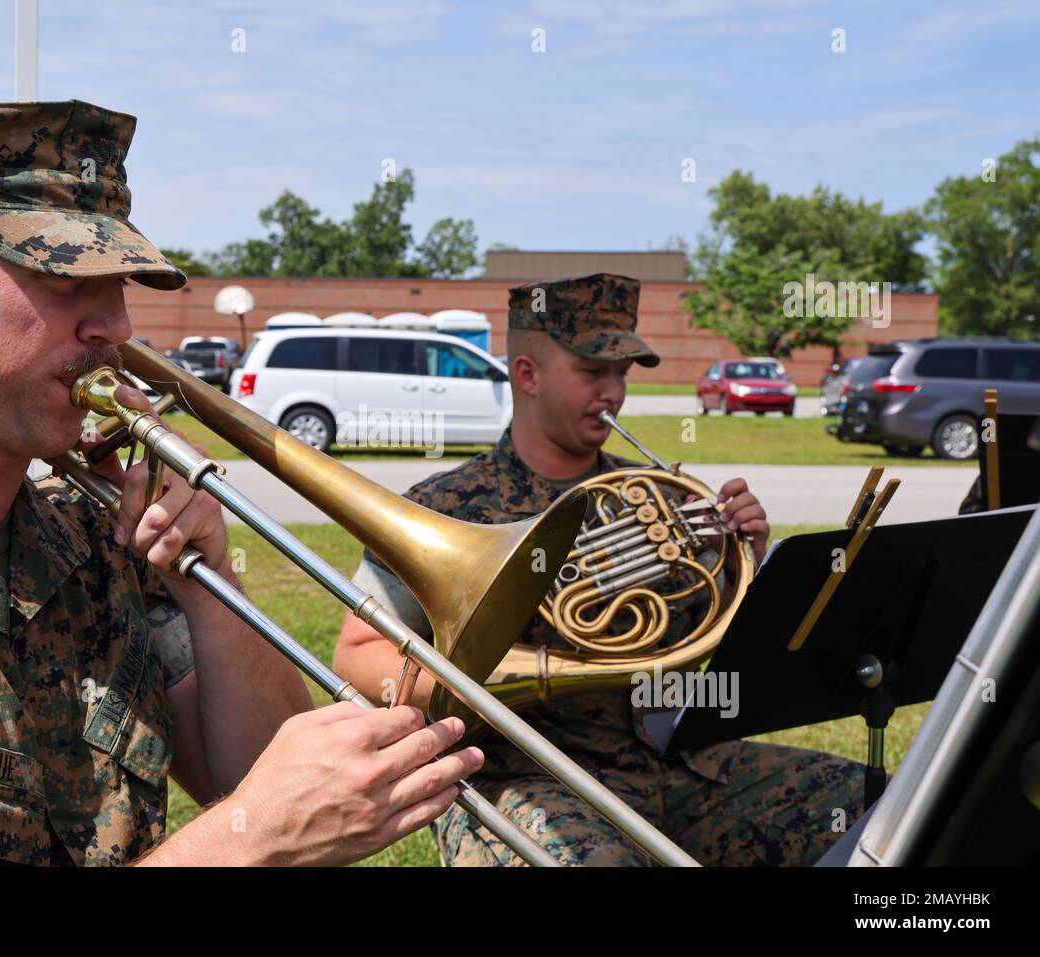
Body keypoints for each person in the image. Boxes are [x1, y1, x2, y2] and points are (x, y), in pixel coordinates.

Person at [0, 100, 480, 867]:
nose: (118, 326)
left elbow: (265, 773)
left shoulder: (95, 538)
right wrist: (242, 843)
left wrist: (208, 577)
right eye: (62, 276)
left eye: (120, 280)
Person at [333, 273, 866, 866]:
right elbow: (359, 650)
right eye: (592, 372)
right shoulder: (444, 506)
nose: (612, 392)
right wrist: (483, 690)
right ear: (527, 375)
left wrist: (743, 561)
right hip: (525, 778)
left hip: (676, 767)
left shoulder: (658, 497)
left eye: (622, 374)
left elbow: (708, 645)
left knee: (879, 805)